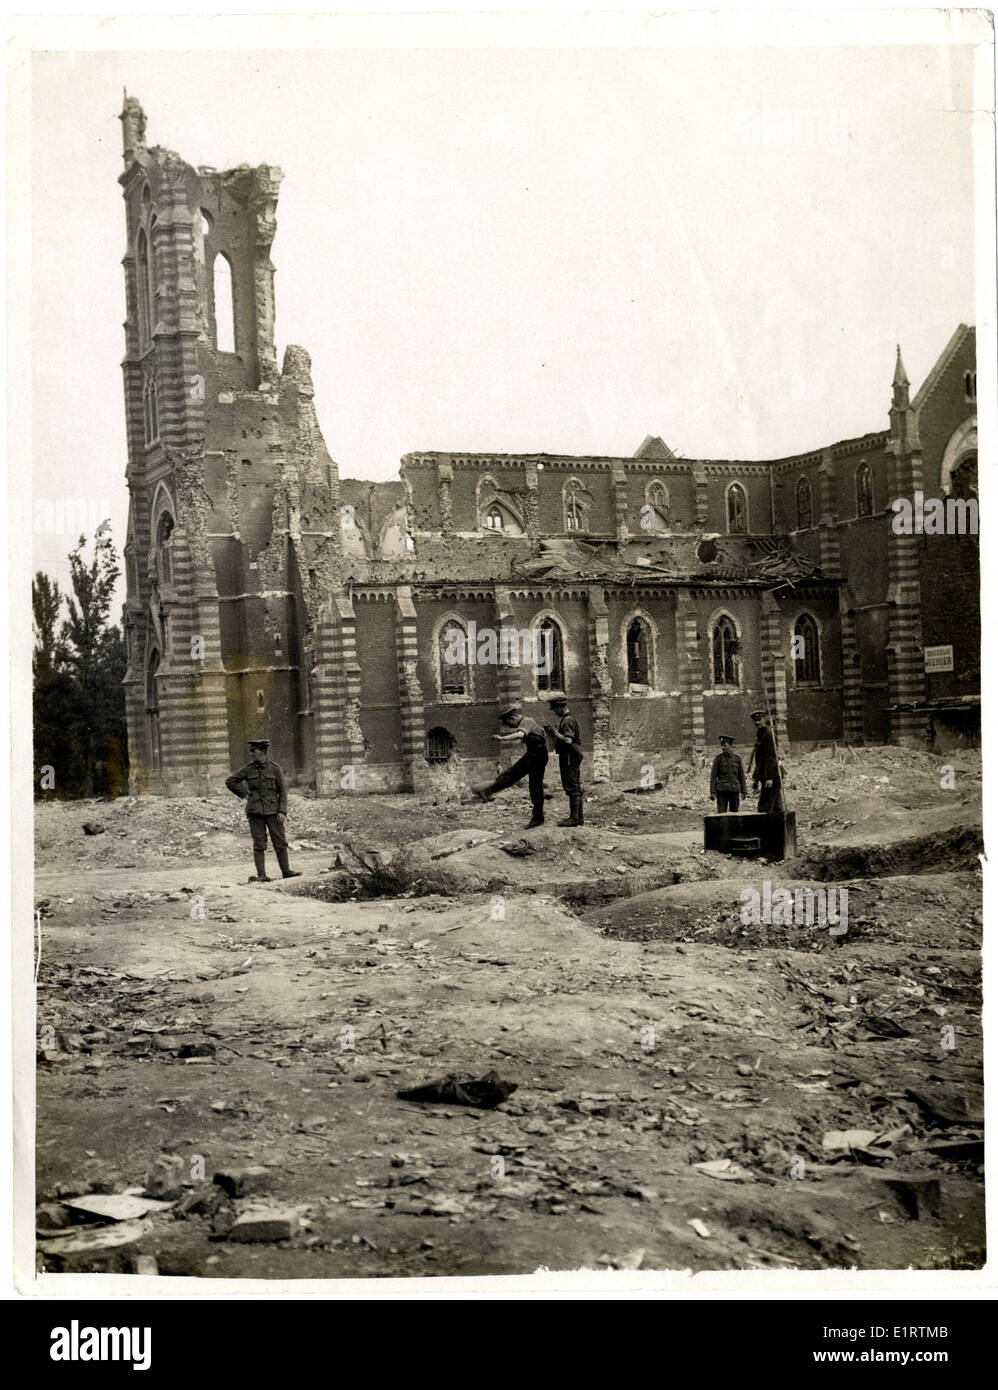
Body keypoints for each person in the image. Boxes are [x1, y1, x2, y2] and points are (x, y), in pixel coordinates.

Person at [225, 739, 302, 882]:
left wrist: (282, 811)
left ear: (262, 751)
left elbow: (283, 792)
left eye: (253, 751)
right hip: (255, 812)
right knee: (259, 844)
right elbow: (230, 781)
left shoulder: (275, 768)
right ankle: (262, 875)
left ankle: (286, 871)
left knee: (280, 842)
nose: (251, 753)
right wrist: (245, 794)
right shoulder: (248, 769)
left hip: (274, 812)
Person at [473, 706, 549, 828]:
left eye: (508, 724)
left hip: (537, 755)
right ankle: (489, 790)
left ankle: (538, 818)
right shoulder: (529, 721)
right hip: (536, 754)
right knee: (516, 776)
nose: (509, 727)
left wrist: (502, 738)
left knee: (527, 782)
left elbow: (520, 734)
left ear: (512, 718)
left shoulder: (527, 721)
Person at [544, 696, 584, 826]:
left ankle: (574, 818)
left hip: (569, 755)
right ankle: (578, 818)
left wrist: (555, 732)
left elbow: (568, 740)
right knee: (574, 785)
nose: (554, 712)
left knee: (572, 785)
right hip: (569, 754)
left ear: (560, 706)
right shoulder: (567, 719)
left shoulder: (567, 720)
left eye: (555, 709)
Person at [749, 710, 784, 814]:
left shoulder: (769, 734)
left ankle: (767, 830)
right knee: (776, 807)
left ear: (764, 719)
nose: (757, 723)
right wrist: (756, 778)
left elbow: (771, 758)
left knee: (765, 807)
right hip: (767, 775)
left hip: (772, 775)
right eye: (755, 721)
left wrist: (769, 777)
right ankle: (779, 829)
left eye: (759, 720)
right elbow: (760, 760)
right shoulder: (760, 734)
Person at [709, 734, 746, 813]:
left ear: (730, 746)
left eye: (725, 745)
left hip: (734, 790)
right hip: (722, 791)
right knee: (721, 814)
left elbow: (741, 776)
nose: (723, 747)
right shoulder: (718, 759)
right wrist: (712, 792)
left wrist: (744, 791)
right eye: (722, 746)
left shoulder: (737, 759)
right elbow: (713, 777)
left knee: (735, 814)